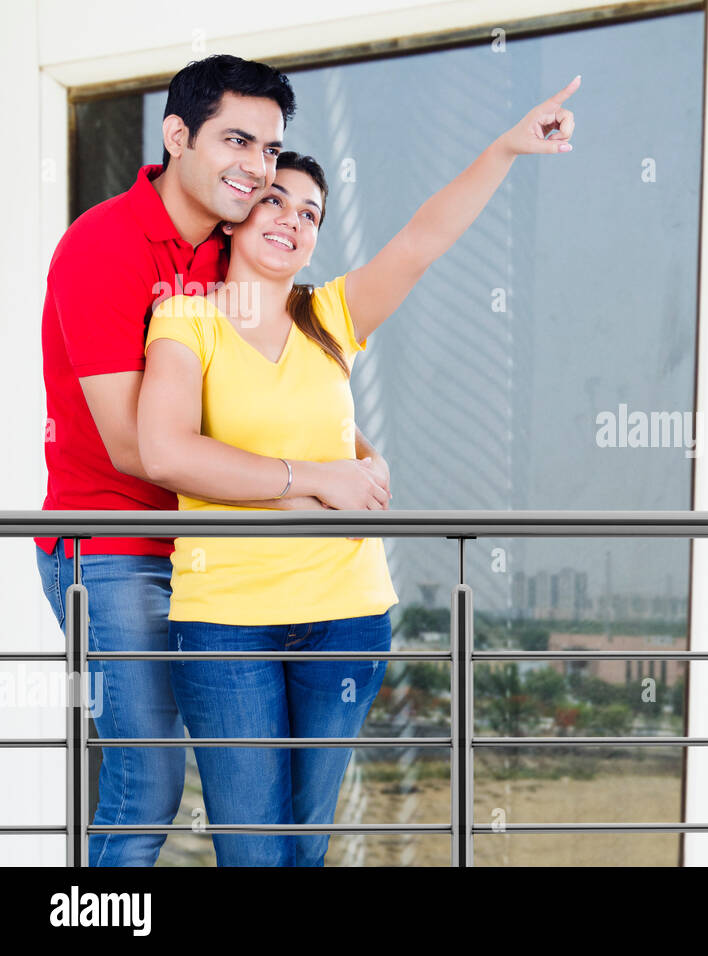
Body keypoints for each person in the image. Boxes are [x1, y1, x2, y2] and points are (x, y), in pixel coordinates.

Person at [136, 76, 580, 866]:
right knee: (251, 849)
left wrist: (507, 146)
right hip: (224, 625)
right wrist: (321, 476)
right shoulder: (186, 317)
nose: (293, 221)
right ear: (239, 216)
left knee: (305, 846)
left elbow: (421, 241)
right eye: (276, 200)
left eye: (311, 214)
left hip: (345, 618)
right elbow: (169, 452)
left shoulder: (331, 316)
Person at [34, 53, 393, 867]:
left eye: (269, 149)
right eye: (237, 140)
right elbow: (140, 450)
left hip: (211, 557)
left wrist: (357, 452)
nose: (256, 166)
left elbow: (271, 391)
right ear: (176, 136)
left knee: (264, 803)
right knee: (148, 778)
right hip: (114, 545)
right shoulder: (104, 247)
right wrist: (311, 492)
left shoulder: (224, 253)